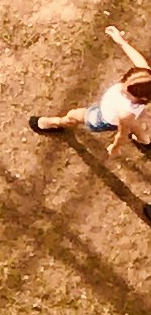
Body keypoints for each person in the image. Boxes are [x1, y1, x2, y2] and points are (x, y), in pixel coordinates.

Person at [30, 59, 151, 208]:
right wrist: (121, 42)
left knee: (74, 115)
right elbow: (137, 59)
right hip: (128, 114)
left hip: (101, 117)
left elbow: (122, 133)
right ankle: (145, 141)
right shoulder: (145, 80)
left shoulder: (126, 113)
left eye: (126, 93)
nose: (121, 89)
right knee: (137, 125)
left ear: (141, 99)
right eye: (123, 81)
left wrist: (115, 146)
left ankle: (53, 123)